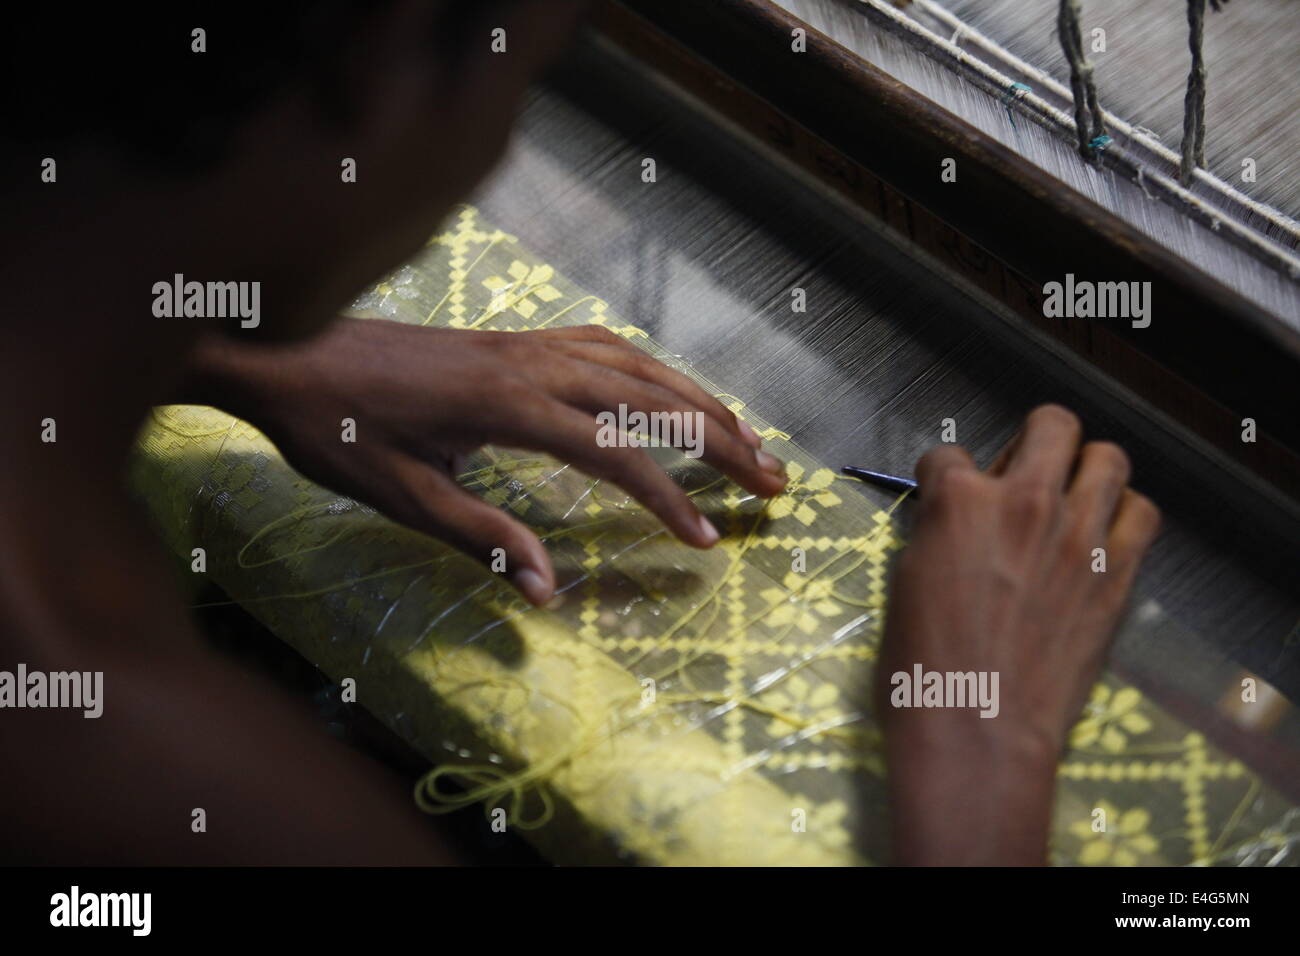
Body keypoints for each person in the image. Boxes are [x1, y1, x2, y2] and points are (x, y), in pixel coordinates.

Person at [0, 2, 1158, 864]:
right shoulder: (147, 779)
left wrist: (235, 346)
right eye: (540, 62)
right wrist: (978, 752)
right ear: (372, 77)